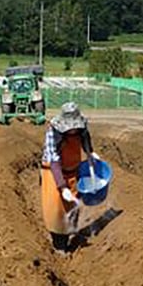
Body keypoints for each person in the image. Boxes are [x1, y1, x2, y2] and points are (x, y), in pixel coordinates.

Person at [40, 102, 100, 253]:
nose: (73, 130)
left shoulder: (82, 127)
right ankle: (58, 244)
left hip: (73, 170)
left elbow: (85, 140)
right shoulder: (53, 132)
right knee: (55, 209)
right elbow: (54, 161)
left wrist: (91, 154)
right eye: (70, 129)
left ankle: (68, 236)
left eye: (75, 128)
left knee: (72, 206)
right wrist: (62, 187)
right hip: (53, 172)